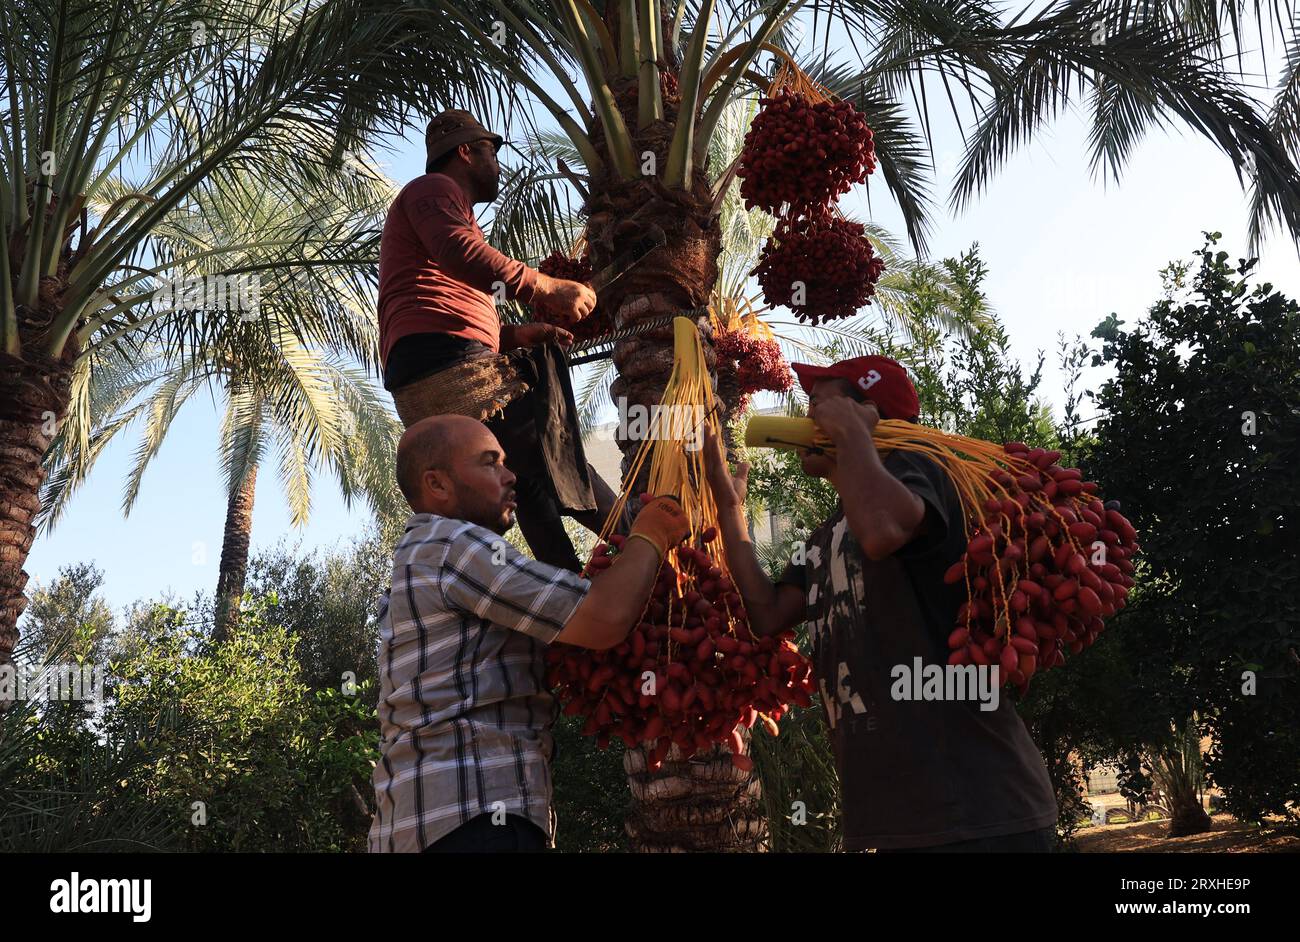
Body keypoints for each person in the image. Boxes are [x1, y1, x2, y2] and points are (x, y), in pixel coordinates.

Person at [702, 355, 1059, 852]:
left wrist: (853, 440)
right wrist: (730, 510)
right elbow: (767, 614)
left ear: (866, 414)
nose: (805, 422)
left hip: (980, 814)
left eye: (818, 407)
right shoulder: (829, 533)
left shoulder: (922, 470)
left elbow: (884, 532)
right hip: (897, 825)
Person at [368, 415, 689, 853]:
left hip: (432, 821)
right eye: (489, 463)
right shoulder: (451, 545)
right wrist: (650, 534)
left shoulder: (426, 557)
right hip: (471, 817)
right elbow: (604, 616)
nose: (510, 474)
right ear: (437, 485)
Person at [378, 108, 618, 574]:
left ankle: (568, 589)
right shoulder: (433, 190)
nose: (498, 164)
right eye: (491, 151)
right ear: (465, 152)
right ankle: (642, 544)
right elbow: (459, 253)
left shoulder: (450, 211)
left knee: (523, 479)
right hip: (442, 357)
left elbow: (448, 297)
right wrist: (546, 287)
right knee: (550, 453)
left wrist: (512, 336)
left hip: (434, 356)